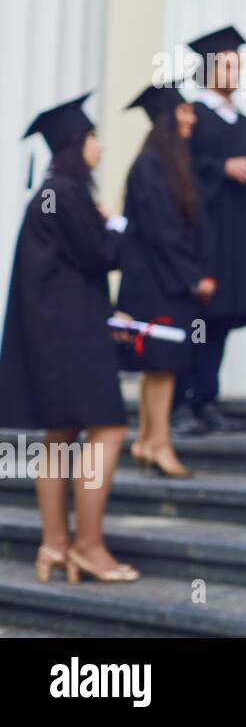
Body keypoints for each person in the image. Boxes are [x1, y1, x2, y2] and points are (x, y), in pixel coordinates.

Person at [0, 93, 140, 583]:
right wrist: (117, 223)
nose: (98, 147)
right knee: (108, 428)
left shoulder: (46, 194)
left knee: (59, 439)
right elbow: (100, 256)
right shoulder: (69, 193)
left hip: (48, 337)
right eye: (93, 138)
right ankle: (89, 545)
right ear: (72, 144)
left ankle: (54, 547)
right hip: (75, 337)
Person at [173, 25, 246, 435]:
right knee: (196, 319)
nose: (234, 72)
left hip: (239, 235)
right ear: (208, 69)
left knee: (218, 322)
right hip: (203, 236)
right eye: (227, 64)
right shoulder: (191, 117)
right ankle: (181, 402)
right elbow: (179, 171)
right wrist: (222, 168)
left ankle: (206, 399)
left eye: (238, 65)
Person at [117, 82, 215, 479]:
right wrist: (194, 277)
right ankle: (159, 443)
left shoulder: (170, 162)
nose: (192, 118)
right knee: (162, 365)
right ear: (168, 119)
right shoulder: (151, 166)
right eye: (186, 112)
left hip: (161, 280)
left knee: (159, 366)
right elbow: (162, 231)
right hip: (157, 283)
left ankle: (147, 439)